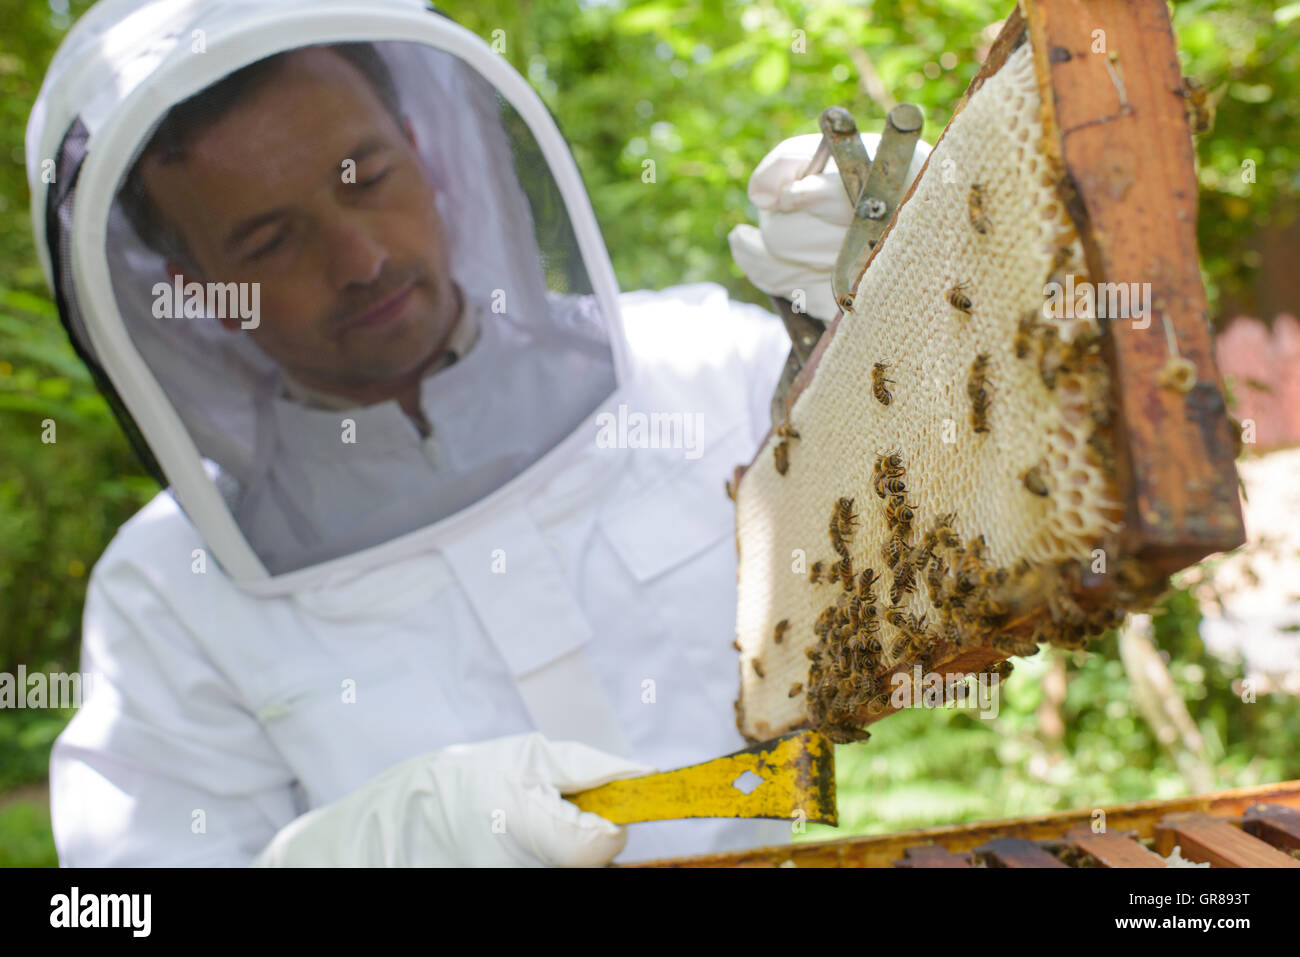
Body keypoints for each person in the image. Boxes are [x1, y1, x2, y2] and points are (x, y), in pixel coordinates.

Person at [27, 0, 926, 865]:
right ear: (195, 291)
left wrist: (915, 297)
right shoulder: (167, 595)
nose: (361, 258)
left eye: (369, 178)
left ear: (424, 150)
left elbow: (970, 491)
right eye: (269, 241)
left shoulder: (700, 370)